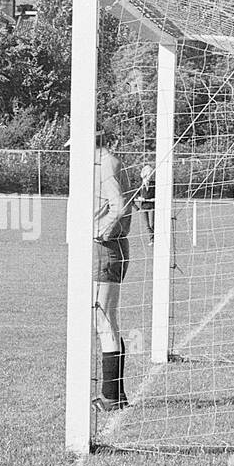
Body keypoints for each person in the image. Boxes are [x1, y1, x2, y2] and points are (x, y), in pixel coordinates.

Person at [92, 131, 135, 412]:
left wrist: (98, 232)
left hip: (107, 249)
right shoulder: (108, 163)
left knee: (104, 319)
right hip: (113, 249)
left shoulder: (105, 164)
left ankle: (111, 396)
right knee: (107, 319)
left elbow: (118, 206)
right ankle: (115, 395)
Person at [135, 164, 156, 238]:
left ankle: (155, 238)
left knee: (152, 224)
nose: (151, 176)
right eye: (150, 174)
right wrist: (139, 198)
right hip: (143, 206)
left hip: (152, 206)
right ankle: (152, 239)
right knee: (147, 225)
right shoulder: (139, 185)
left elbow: (158, 194)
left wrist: (154, 199)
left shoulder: (154, 184)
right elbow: (136, 194)